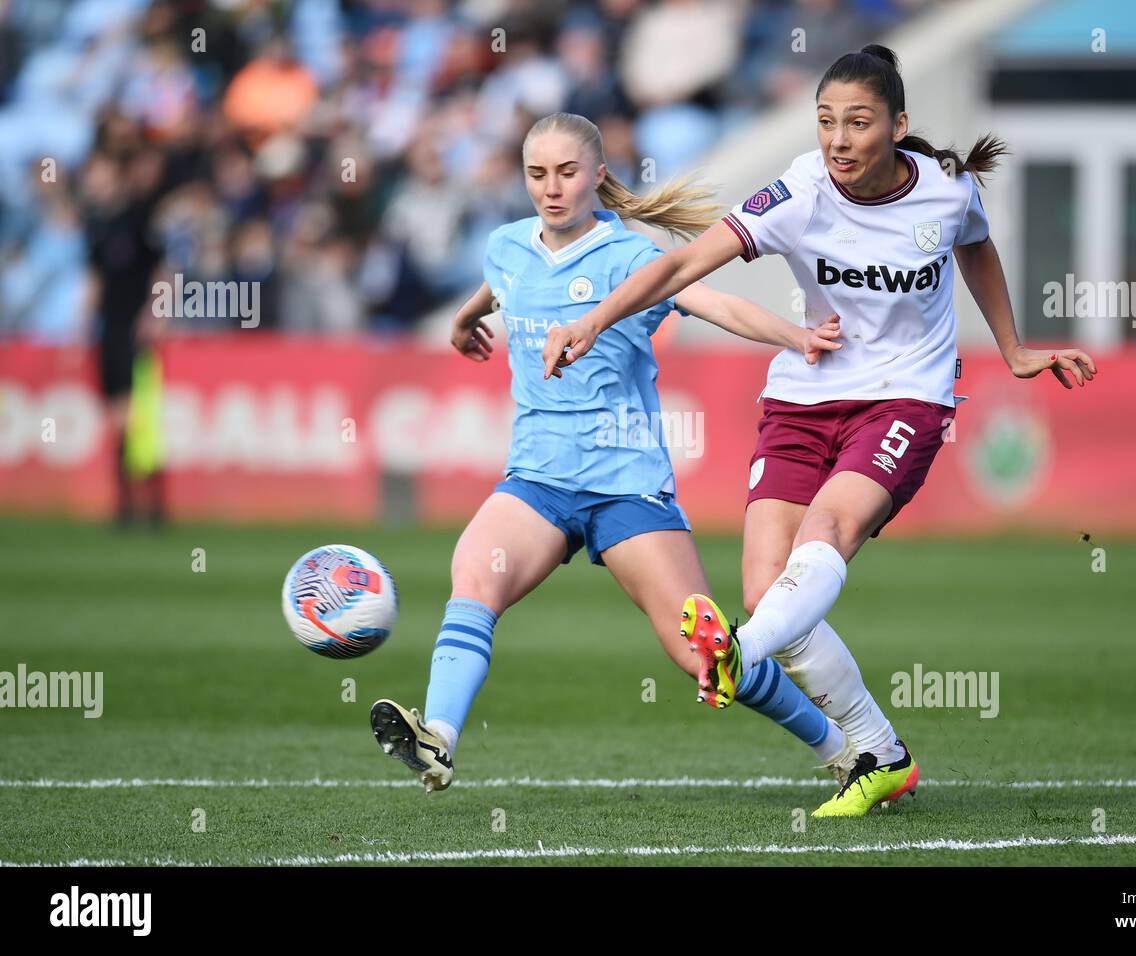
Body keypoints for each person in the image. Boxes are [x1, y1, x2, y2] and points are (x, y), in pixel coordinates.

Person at [542, 45, 1098, 818]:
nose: (838, 139)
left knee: (826, 533)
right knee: (771, 592)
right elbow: (683, 267)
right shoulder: (801, 191)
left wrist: (1012, 349)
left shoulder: (944, 189)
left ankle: (740, 651)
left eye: (859, 123)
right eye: (826, 121)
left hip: (906, 399)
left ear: (899, 127)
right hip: (804, 397)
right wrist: (593, 320)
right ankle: (881, 754)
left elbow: (974, 242)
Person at [370, 112, 855, 793]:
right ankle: (439, 739)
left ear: (598, 174)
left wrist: (794, 336)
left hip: (627, 489)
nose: (552, 187)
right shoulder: (506, 246)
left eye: (568, 172)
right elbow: (493, 289)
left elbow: (714, 304)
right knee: (474, 577)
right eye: (537, 174)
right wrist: (462, 321)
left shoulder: (630, 258)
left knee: (703, 656)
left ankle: (842, 748)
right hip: (536, 483)